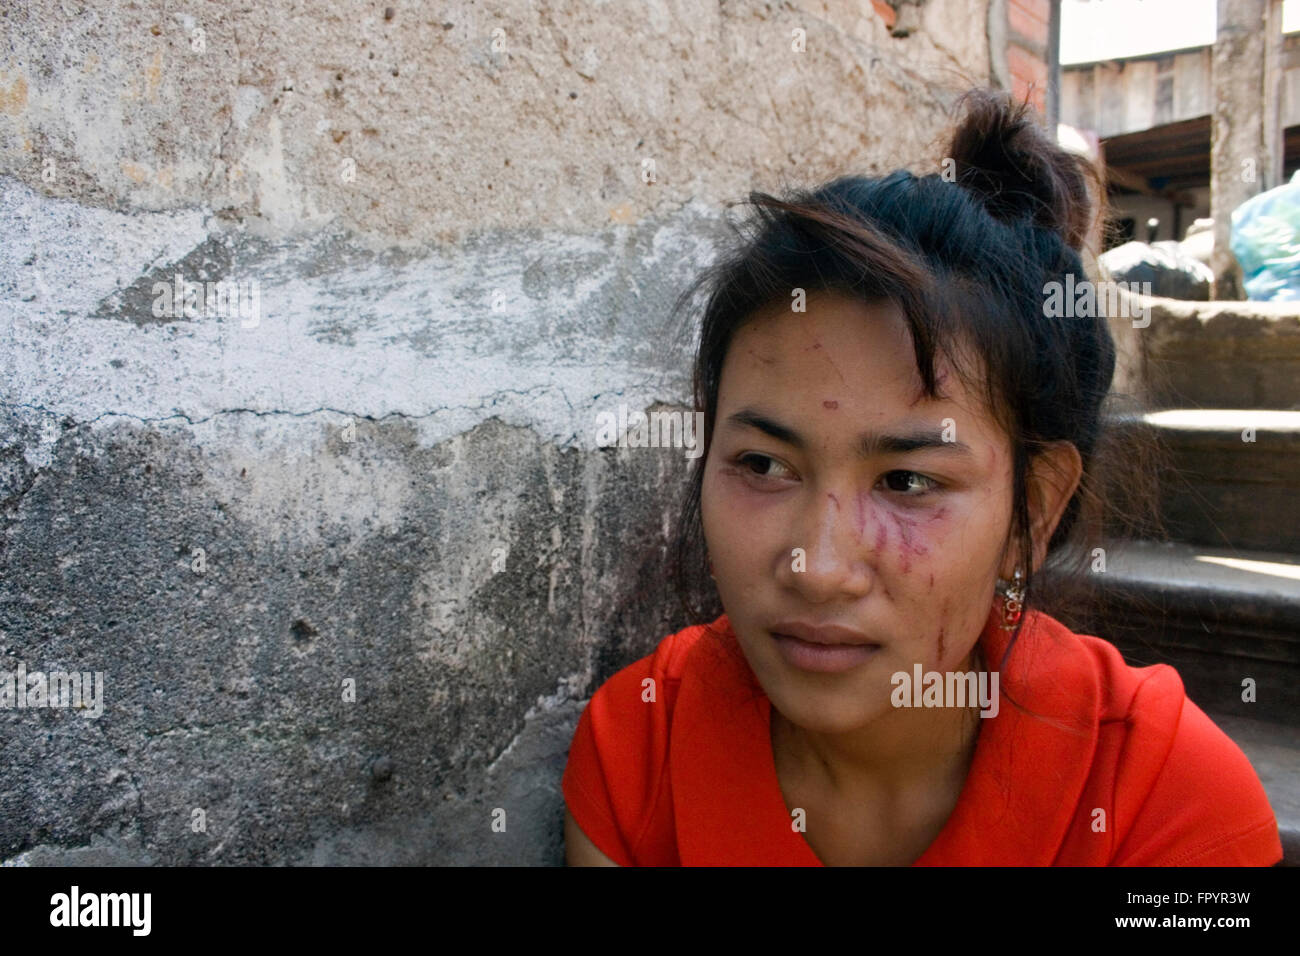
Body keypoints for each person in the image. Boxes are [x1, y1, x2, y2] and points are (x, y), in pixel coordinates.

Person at [561, 87, 1284, 866]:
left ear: (1033, 514)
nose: (820, 568)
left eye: (907, 481)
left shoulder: (1164, 802)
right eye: (764, 465)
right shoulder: (639, 750)